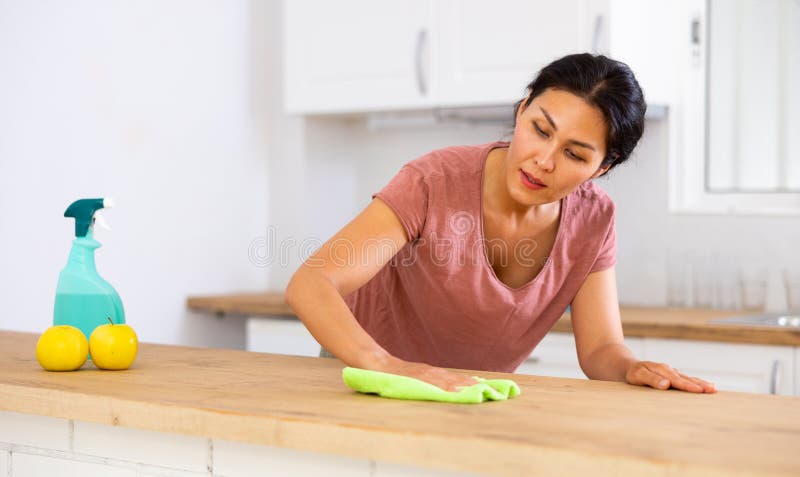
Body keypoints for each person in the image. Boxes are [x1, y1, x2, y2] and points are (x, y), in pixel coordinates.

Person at [285, 53, 716, 394]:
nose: (542, 160)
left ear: (604, 166)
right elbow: (312, 282)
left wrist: (631, 367)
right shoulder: (433, 181)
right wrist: (389, 367)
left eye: (575, 154)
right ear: (523, 107)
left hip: (466, 396)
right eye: (540, 129)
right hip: (365, 379)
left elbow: (601, 348)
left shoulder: (595, 220)